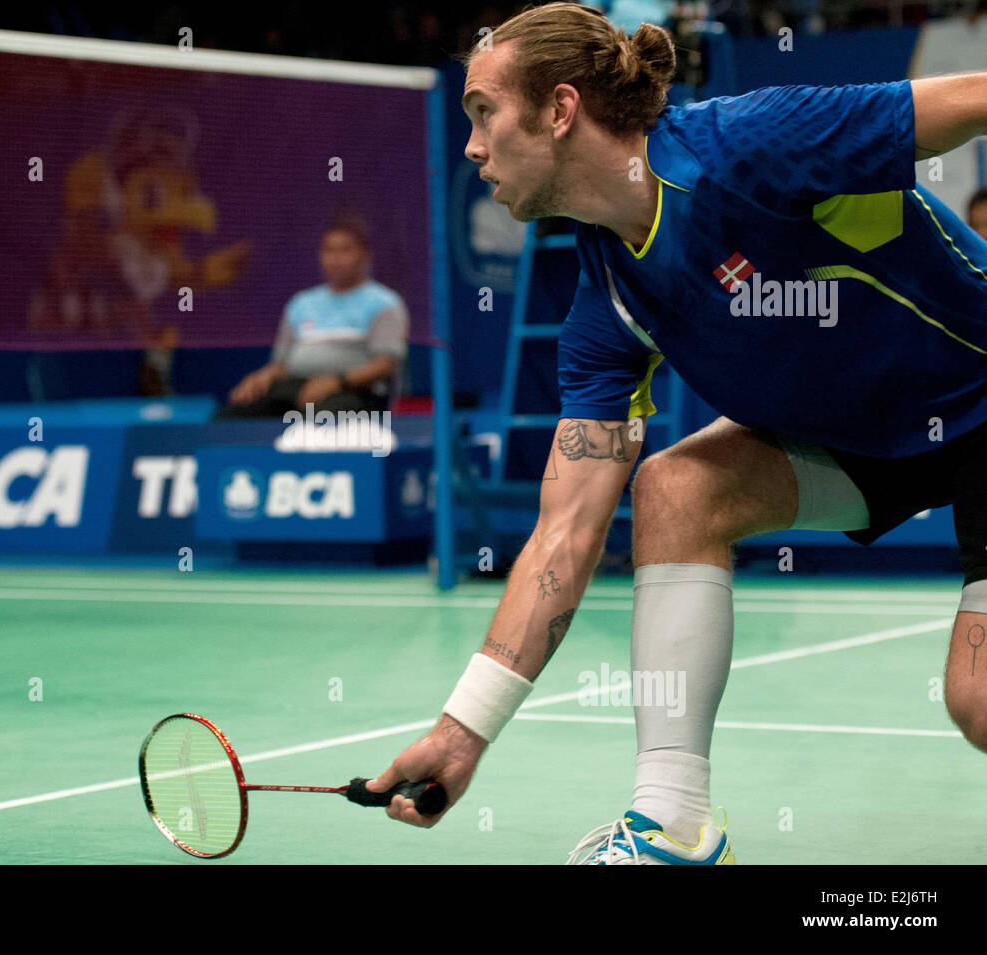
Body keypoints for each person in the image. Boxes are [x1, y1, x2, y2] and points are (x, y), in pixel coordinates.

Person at [366, 1, 987, 864]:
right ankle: (675, 824)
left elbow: (975, 94)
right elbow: (566, 530)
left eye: (483, 112)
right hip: (873, 446)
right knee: (675, 489)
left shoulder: (751, 146)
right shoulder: (606, 307)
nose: (471, 146)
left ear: (559, 109)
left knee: (979, 703)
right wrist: (462, 732)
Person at [218, 217, 407, 418]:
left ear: (365, 255)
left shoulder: (384, 303)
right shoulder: (300, 303)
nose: (336, 258)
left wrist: (336, 382)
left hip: (352, 390)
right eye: (329, 250)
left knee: (323, 418)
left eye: (345, 250)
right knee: (234, 413)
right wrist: (260, 378)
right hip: (295, 387)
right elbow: (281, 365)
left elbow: (386, 365)